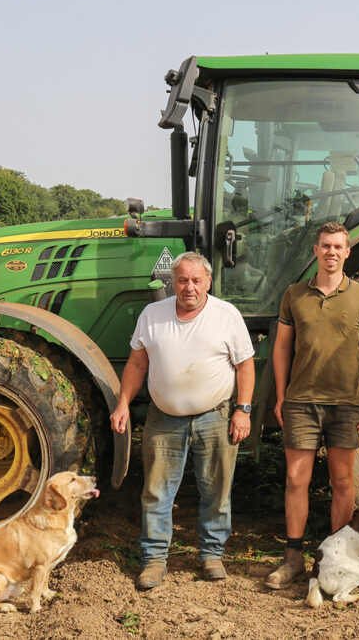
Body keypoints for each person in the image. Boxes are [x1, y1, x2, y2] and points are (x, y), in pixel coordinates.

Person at [109, 252, 255, 590]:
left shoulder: (226, 315)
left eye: (196, 280)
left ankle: (212, 555)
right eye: (182, 280)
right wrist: (122, 404)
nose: (189, 287)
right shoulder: (152, 314)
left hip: (215, 417)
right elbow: (136, 364)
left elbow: (245, 365)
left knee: (216, 491)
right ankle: (154, 560)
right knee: (156, 492)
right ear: (173, 282)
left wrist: (242, 409)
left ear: (208, 282)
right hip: (164, 419)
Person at [264, 221, 359, 590]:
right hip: (301, 402)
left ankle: (336, 557)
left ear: (347, 252)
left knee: (343, 481)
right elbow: (282, 347)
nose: (331, 252)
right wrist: (282, 396)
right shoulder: (294, 294)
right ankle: (294, 558)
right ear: (315, 250)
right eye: (325, 246)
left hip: (346, 405)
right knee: (296, 479)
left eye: (338, 247)